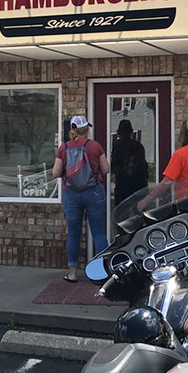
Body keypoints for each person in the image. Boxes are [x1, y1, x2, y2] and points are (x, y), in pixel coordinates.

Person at [52, 115, 110, 283]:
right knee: (99, 233)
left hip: (71, 194)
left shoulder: (63, 147)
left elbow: (56, 172)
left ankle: (72, 273)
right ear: (86, 129)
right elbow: (105, 169)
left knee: (74, 234)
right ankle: (103, 273)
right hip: (93, 192)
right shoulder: (94, 146)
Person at [138, 118, 188, 209]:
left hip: (186, 202)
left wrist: (145, 201)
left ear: (182, 135)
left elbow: (165, 183)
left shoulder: (181, 154)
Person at [111, 119, 149, 205]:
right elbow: (143, 166)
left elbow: (114, 165)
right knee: (137, 213)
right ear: (131, 132)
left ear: (119, 132)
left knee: (121, 213)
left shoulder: (117, 146)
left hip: (122, 184)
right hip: (138, 185)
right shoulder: (138, 146)